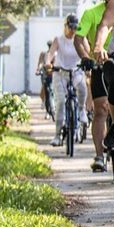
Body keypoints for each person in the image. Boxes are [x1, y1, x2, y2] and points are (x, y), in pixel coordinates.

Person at [76, 0, 114, 171]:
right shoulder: (92, 13)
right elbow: (80, 39)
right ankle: (99, 155)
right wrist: (87, 56)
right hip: (100, 64)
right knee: (100, 109)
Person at [43, 15, 88, 146]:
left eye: (75, 27)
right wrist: (47, 63)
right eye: (71, 27)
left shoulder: (79, 38)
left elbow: (87, 51)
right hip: (60, 72)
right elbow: (51, 53)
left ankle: (81, 110)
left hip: (75, 71)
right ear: (65, 26)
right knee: (61, 102)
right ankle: (57, 135)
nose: (73, 30)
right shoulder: (59, 40)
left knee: (82, 88)